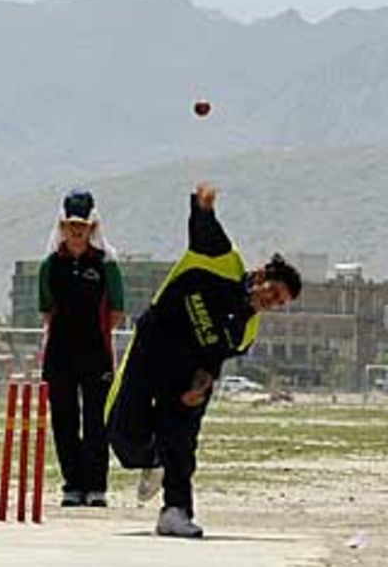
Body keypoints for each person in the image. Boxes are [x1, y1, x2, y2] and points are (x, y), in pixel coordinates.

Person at [106, 184, 301, 538]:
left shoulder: (247, 330)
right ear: (259, 275)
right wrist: (203, 204)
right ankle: (153, 461)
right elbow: (203, 223)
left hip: (187, 373)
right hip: (153, 346)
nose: (271, 302)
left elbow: (214, 361)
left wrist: (199, 386)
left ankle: (176, 511)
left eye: (279, 303)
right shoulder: (221, 259)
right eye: (272, 292)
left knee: (180, 435)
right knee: (123, 433)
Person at [39, 189, 125, 508]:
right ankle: (72, 484)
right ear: (62, 226)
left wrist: (94, 335)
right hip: (59, 354)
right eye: (70, 224)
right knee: (63, 420)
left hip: (96, 353)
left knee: (96, 421)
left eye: (82, 225)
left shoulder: (105, 263)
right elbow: (46, 309)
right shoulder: (51, 264)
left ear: (92, 227)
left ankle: (96, 486)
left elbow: (116, 309)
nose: (76, 231)